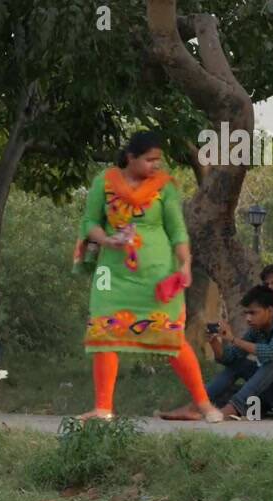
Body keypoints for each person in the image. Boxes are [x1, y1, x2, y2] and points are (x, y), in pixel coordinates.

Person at [74, 130, 221, 422]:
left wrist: (185, 263)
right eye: (150, 160)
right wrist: (106, 241)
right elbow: (90, 221)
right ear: (131, 157)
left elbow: (177, 230)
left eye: (158, 160)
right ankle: (103, 408)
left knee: (171, 337)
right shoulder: (104, 183)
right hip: (112, 274)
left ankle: (204, 405)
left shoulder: (165, 187)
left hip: (158, 274)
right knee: (104, 333)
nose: (156, 165)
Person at [165, 285, 273, 420]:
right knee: (239, 364)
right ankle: (197, 406)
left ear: (269, 311)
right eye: (246, 313)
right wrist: (215, 343)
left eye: (253, 313)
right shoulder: (256, 330)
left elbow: (270, 353)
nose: (248, 318)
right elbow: (230, 358)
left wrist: (232, 339)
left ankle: (231, 409)